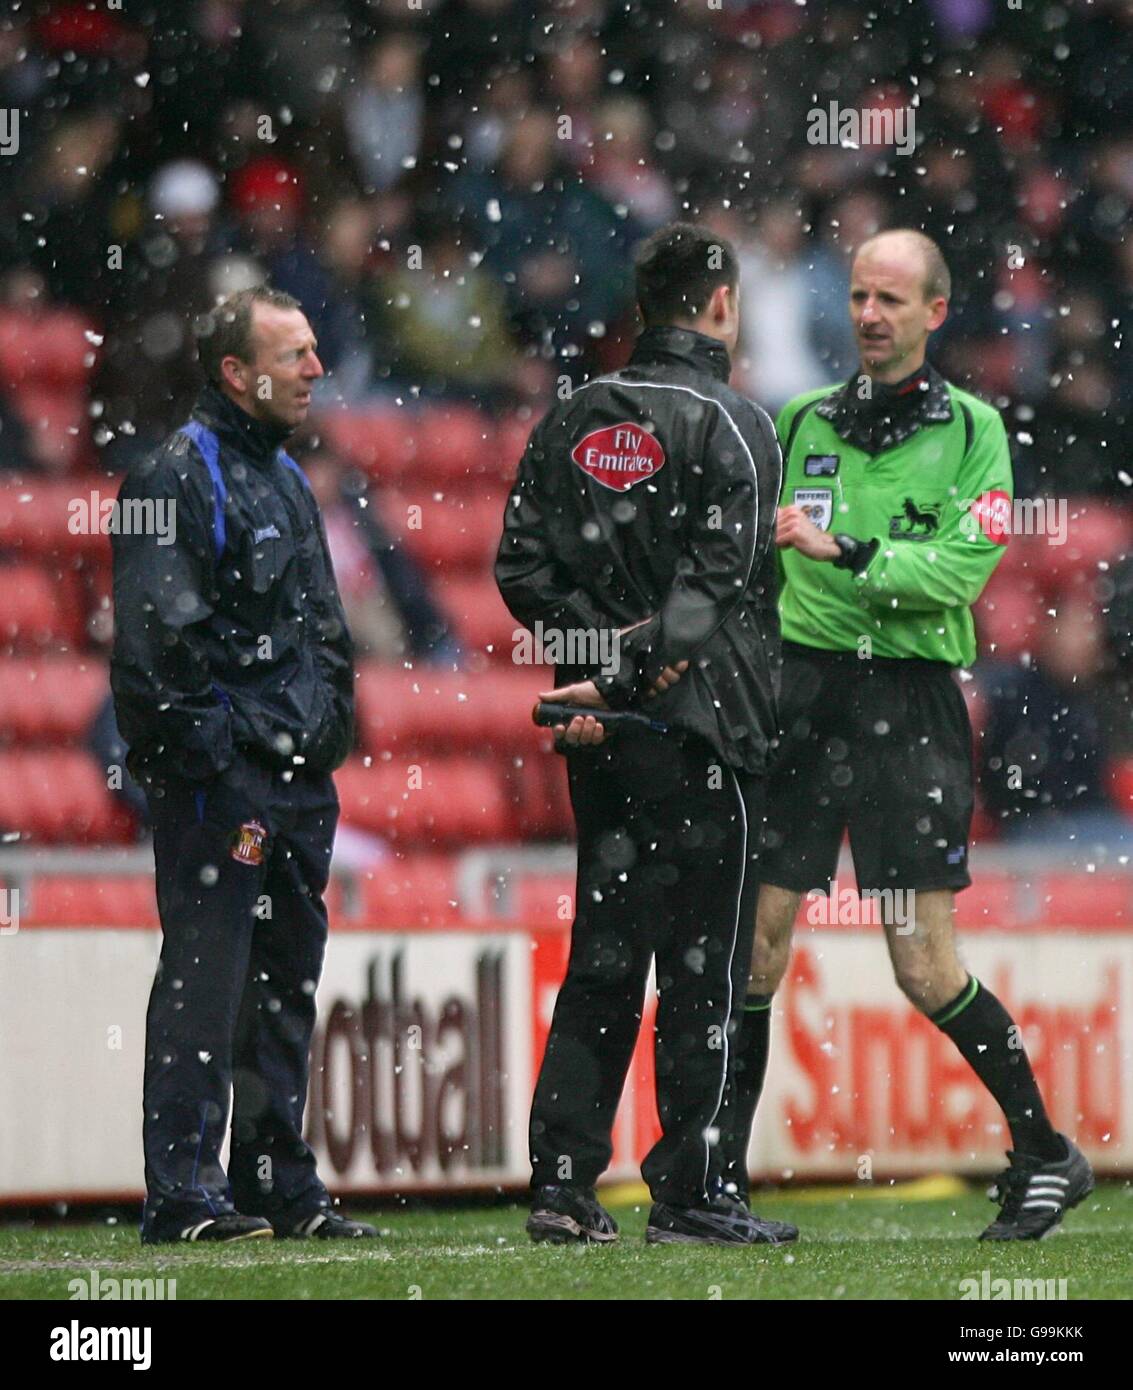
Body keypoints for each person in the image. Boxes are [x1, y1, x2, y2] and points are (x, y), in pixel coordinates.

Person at [718, 229, 1095, 1241]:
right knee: (753, 947)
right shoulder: (798, 419)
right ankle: (716, 1181)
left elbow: (959, 571)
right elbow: (759, 569)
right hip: (803, 701)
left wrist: (848, 550)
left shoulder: (972, 429)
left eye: (890, 298)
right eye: (856, 296)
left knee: (920, 961)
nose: (868, 315)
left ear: (935, 311)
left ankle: (1043, 1151)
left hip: (908, 709)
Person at [495, 223, 794, 1246]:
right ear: (717, 304)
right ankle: (691, 1186)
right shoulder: (738, 422)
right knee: (702, 966)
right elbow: (715, 586)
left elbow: (518, 568)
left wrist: (591, 657)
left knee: (605, 955)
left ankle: (563, 1182)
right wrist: (639, 656)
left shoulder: (570, 414)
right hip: (707, 729)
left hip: (604, 732)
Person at [110, 285, 376, 1244]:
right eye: (295, 354)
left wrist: (326, 734)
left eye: (313, 350)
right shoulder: (175, 476)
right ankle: (183, 1191)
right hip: (227, 784)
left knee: (280, 990)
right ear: (235, 371)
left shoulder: (288, 477)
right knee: (206, 981)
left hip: (298, 780)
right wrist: (217, 761)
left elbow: (321, 630)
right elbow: (151, 649)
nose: (316, 369)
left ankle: (274, 1183)